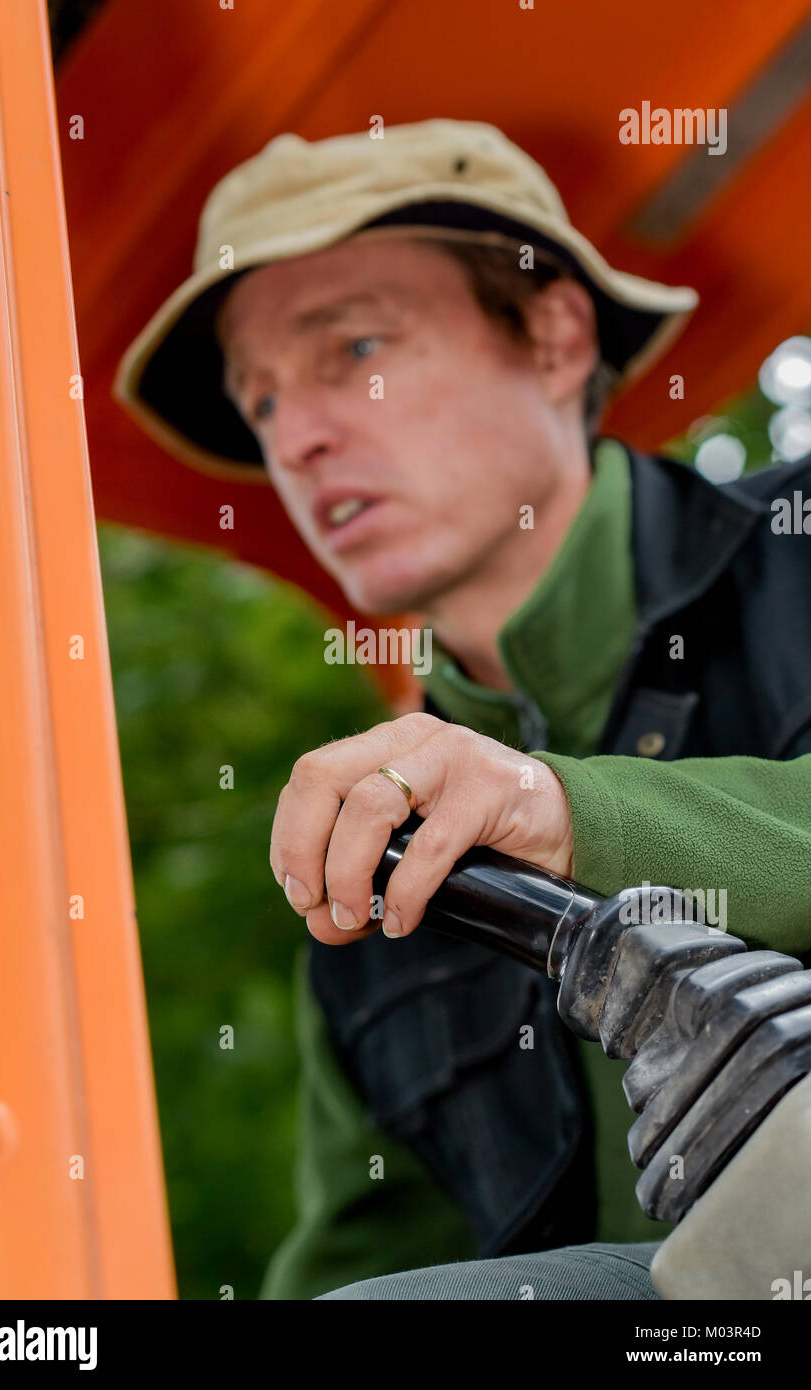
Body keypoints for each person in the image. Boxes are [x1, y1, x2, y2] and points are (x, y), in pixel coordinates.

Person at [115, 119, 811, 1300]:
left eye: (354, 350)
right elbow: (366, 1258)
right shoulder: (361, 896)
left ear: (551, 334)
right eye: (263, 402)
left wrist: (555, 806)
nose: (301, 434)